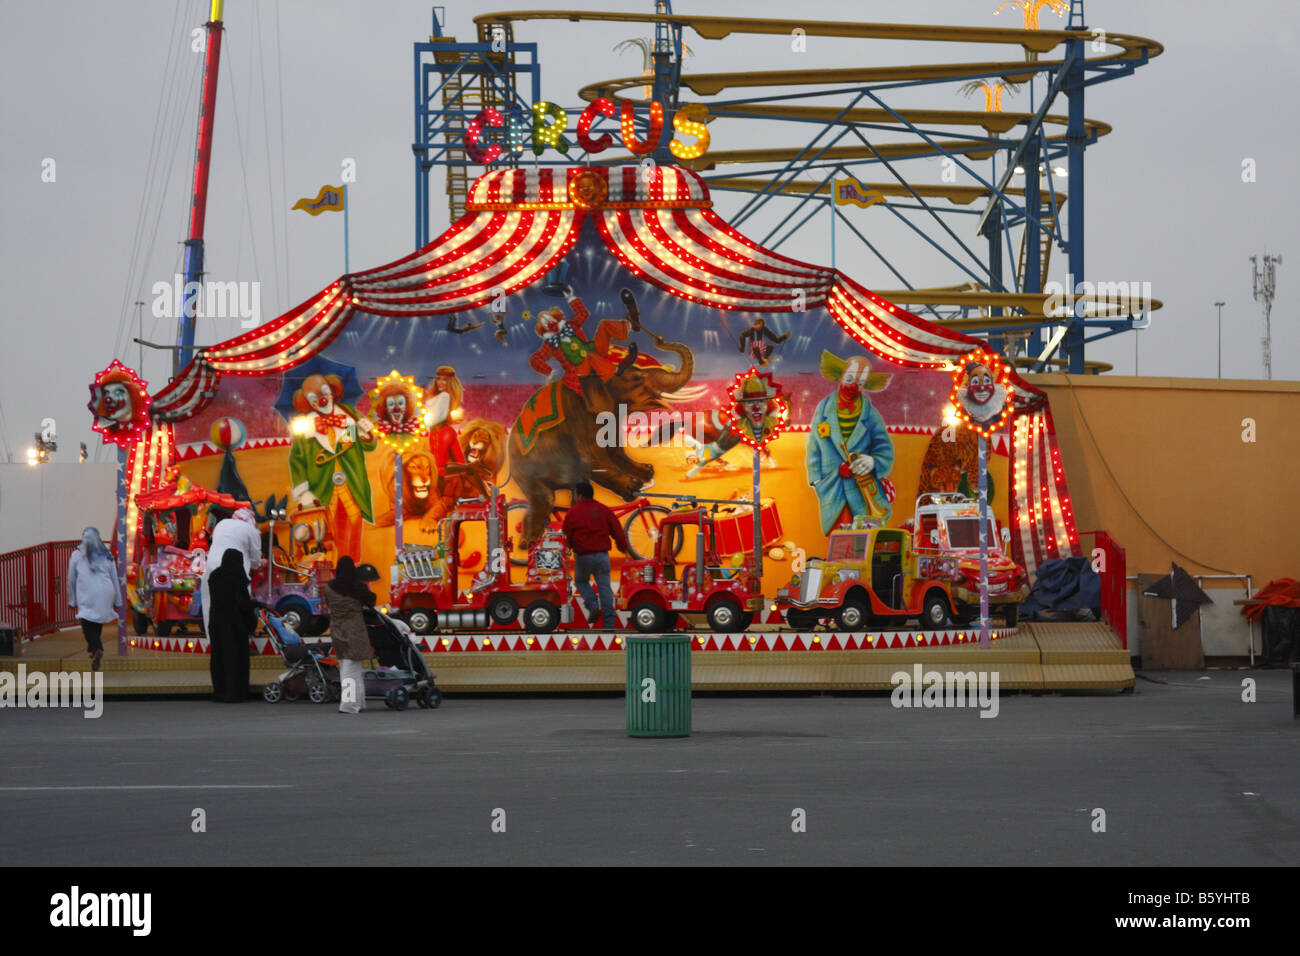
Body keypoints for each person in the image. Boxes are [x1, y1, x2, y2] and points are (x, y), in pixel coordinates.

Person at [561, 481, 630, 628]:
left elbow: (566, 534)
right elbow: (617, 531)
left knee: (580, 582)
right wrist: (623, 547)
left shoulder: (573, 512)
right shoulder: (603, 510)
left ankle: (593, 605)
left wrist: (567, 548)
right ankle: (609, 622)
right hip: (602, 556)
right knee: (604, 586)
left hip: (583, 557)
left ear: (579, 495)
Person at [324, 556, 376, 714]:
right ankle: (349, 704)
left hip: (337, 628)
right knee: (351, 667)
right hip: (354, 630)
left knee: (348, 665)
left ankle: (358, 702)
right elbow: (371, 601)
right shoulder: (357, 587)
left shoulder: (329, 587)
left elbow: (328, 603)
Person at [200, 508, 263, 637]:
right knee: (239, 605)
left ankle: (213, 641)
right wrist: (261, 562)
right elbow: (256, 560)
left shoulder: (221, 524)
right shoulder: (251, 531)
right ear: (251, 521)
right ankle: (242, 638)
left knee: (211, 604)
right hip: (235, 570)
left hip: (212, 568)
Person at [206, 548, 258, 702]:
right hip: (234, 625)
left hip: (216, 623)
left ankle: (220, 691)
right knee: (235, 658)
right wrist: (258, 606)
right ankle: (235, 692)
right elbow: (243, 603)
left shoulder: (214, 577)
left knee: (218, 657)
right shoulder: (237, 578)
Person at [66, 527, 120, 671]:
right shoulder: (107, 554)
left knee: (86, 622)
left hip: (87, 592)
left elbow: (71, 579)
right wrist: (118, 600)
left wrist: (72, 600)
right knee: (97, 620)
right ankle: (92, 648)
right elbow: (115, 578)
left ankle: (97, 648)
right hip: (107, 592)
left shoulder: (77, 555)